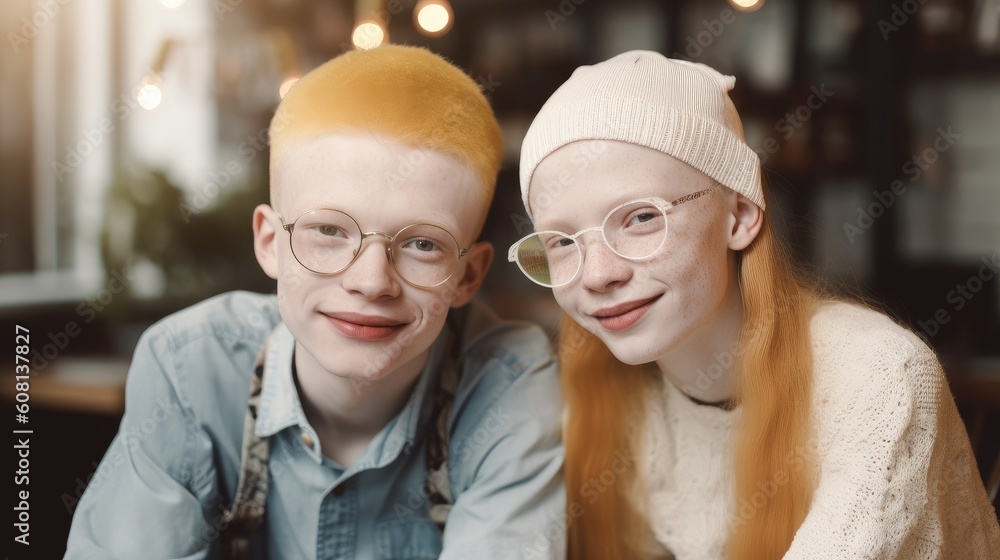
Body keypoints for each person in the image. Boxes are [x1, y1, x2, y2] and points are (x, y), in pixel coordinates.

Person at [65, 45, 565, 559]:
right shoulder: (187, 366)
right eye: (328, 230)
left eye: (422, 244)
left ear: (468, 275)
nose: (372, 283)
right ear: (269, 243)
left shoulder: (509, 379)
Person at [508, 50, 1000, 559]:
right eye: (561, 242)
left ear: (740, 215)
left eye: (639, 219)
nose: (597, 275)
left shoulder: (879, 375)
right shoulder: (591, 394)